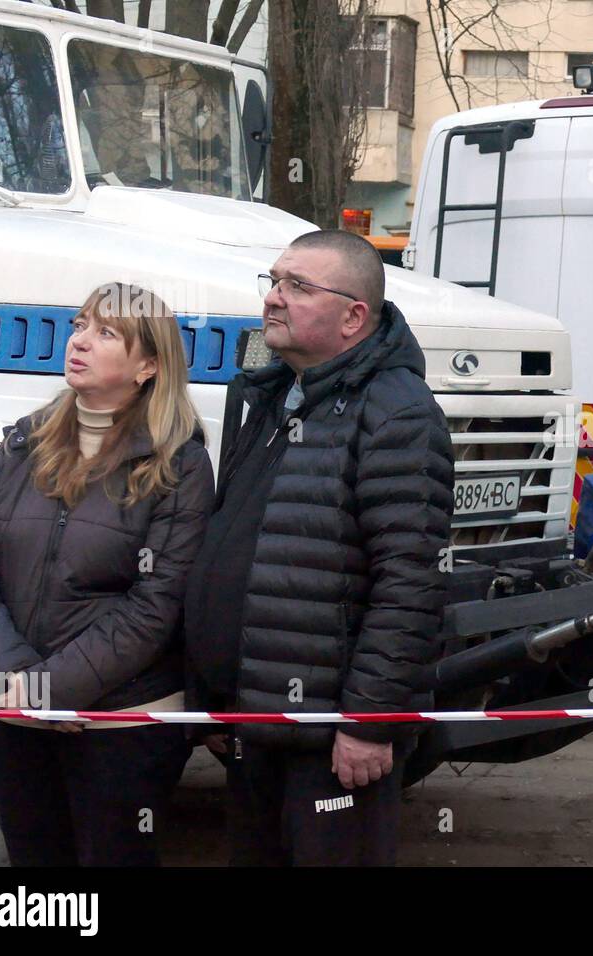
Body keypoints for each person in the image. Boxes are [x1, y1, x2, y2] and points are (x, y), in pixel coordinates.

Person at [184, 230, 454, 867]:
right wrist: (216, 700)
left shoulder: (397, 415)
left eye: (297, 286)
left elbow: (410, 584)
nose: (274, 299)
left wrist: (369, 722)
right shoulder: (271, 398)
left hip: (332, 741)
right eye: (273, 282)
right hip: (257, 726)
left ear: (354, 316)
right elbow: (238, 545)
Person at [0, 282, 213, 866]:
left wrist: (58, 691)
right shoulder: (26, 440)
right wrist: (22, 683)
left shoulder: (180, 463)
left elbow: (155, 606)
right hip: (12, 708)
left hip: (119, 724)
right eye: (79, 325)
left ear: (148, 365)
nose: (80, 342)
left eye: (106, 332)